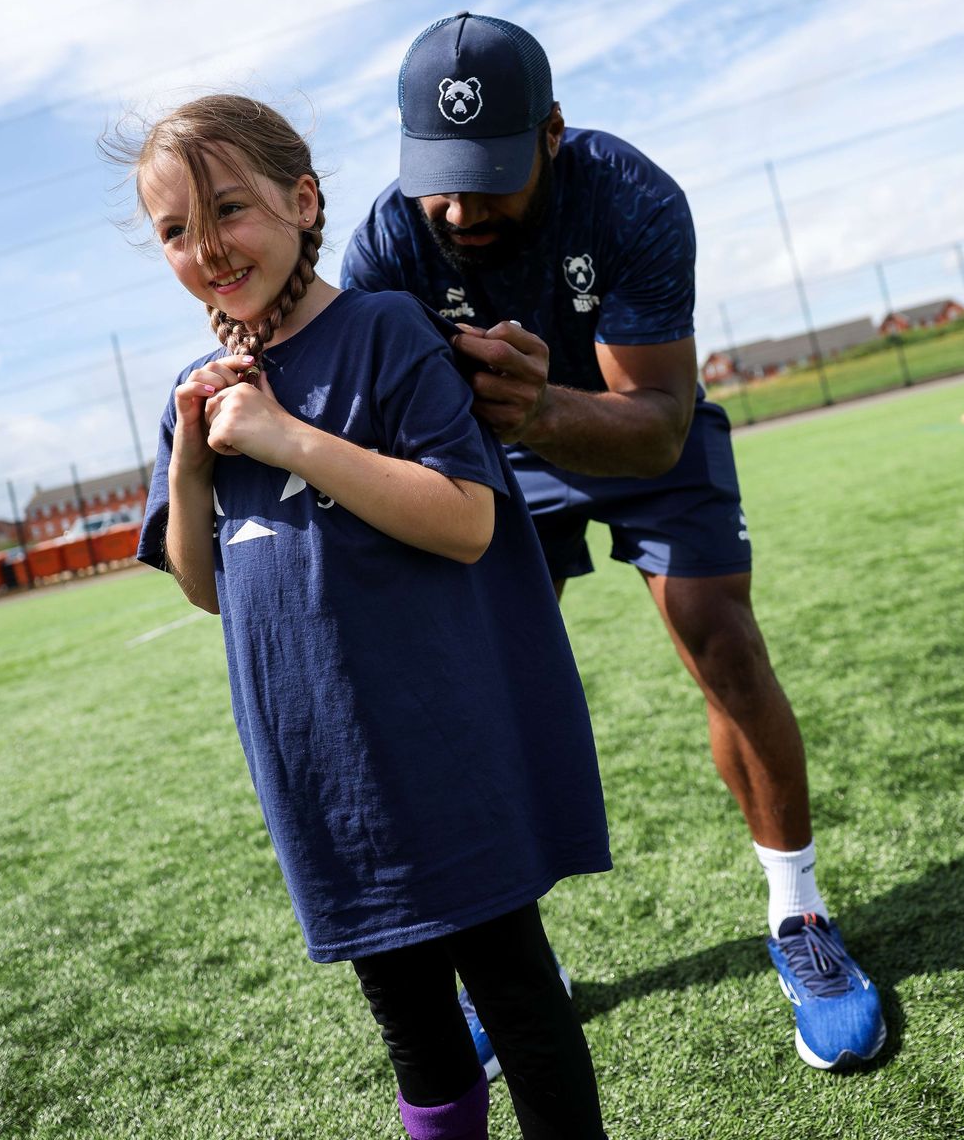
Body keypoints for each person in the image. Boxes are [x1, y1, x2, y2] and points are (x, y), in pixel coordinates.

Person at [341, 12, 886, 1074]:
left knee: (720, 639)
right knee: (470, 692)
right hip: (491, 454)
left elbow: (657, 422)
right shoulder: (390, 238)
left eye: (488, 174)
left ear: (551, 133)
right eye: (438, 178)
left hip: (621, 424)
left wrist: (539, 409)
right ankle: (515, 971)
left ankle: (800, 917)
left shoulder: (630, 196)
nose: (459, 207)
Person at [114, 94, 612, 1140]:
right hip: (321, 777)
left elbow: (467, 521)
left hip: (441, 751)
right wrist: (193, 453)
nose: (207, 247)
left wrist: (287, 437)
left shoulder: (383, 333)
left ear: (302, 203)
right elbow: (206, 585)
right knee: (416, 1036)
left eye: (230, 210)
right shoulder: (190, 397)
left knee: (517, 998)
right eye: (174, 230)